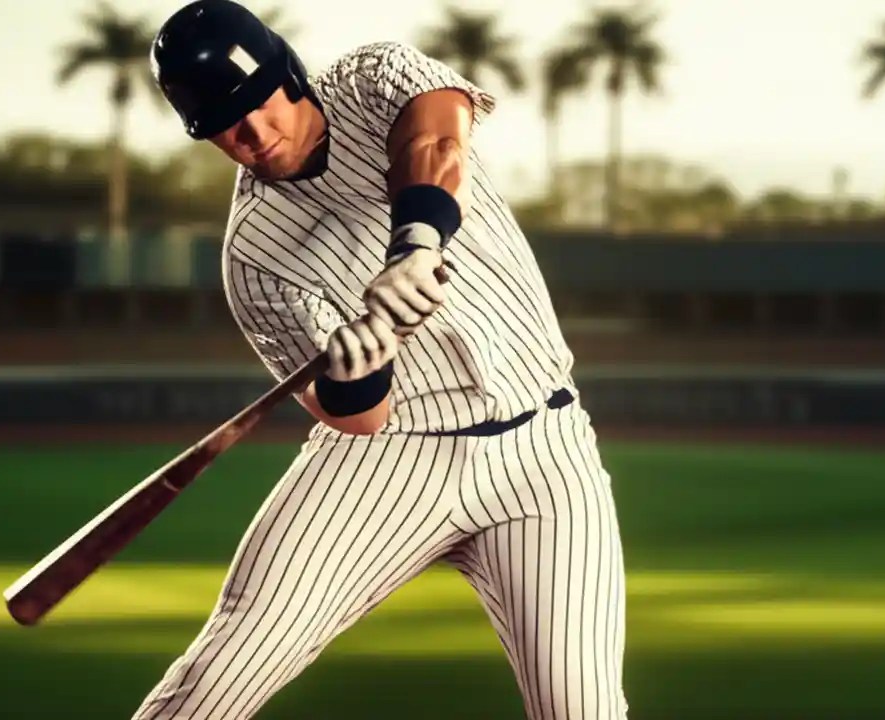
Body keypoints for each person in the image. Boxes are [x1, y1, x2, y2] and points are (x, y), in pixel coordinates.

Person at [135, 1, 627, 718]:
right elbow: (356, 417)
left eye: (255, 104)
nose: (250, 133)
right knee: (215, 685)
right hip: (385, 464)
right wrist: (360, 367)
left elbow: (437, 142)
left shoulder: (372, 78)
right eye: (220, 128)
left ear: (288, 74)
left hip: (545, 454)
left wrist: (418, 243)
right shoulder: (253, 256)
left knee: (581, 709)